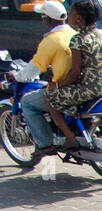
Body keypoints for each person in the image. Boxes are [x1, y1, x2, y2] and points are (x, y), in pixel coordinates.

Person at [38, 0, 102, 157]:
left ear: (79, 19)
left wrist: (57, 85)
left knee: (48, 97)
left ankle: (70, 138)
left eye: (72, 13)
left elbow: (74, 73)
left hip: (90, 89)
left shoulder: (78, 40)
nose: (69, 16)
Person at [18, 0, 75, 157]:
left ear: (48, 20)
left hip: (65, 89)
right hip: (82, 84)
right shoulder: (73, 33)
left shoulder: (50, 41)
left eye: (42, 18)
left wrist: (16, 76)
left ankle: (45, 144)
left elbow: (32, 70)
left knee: (27, 102)